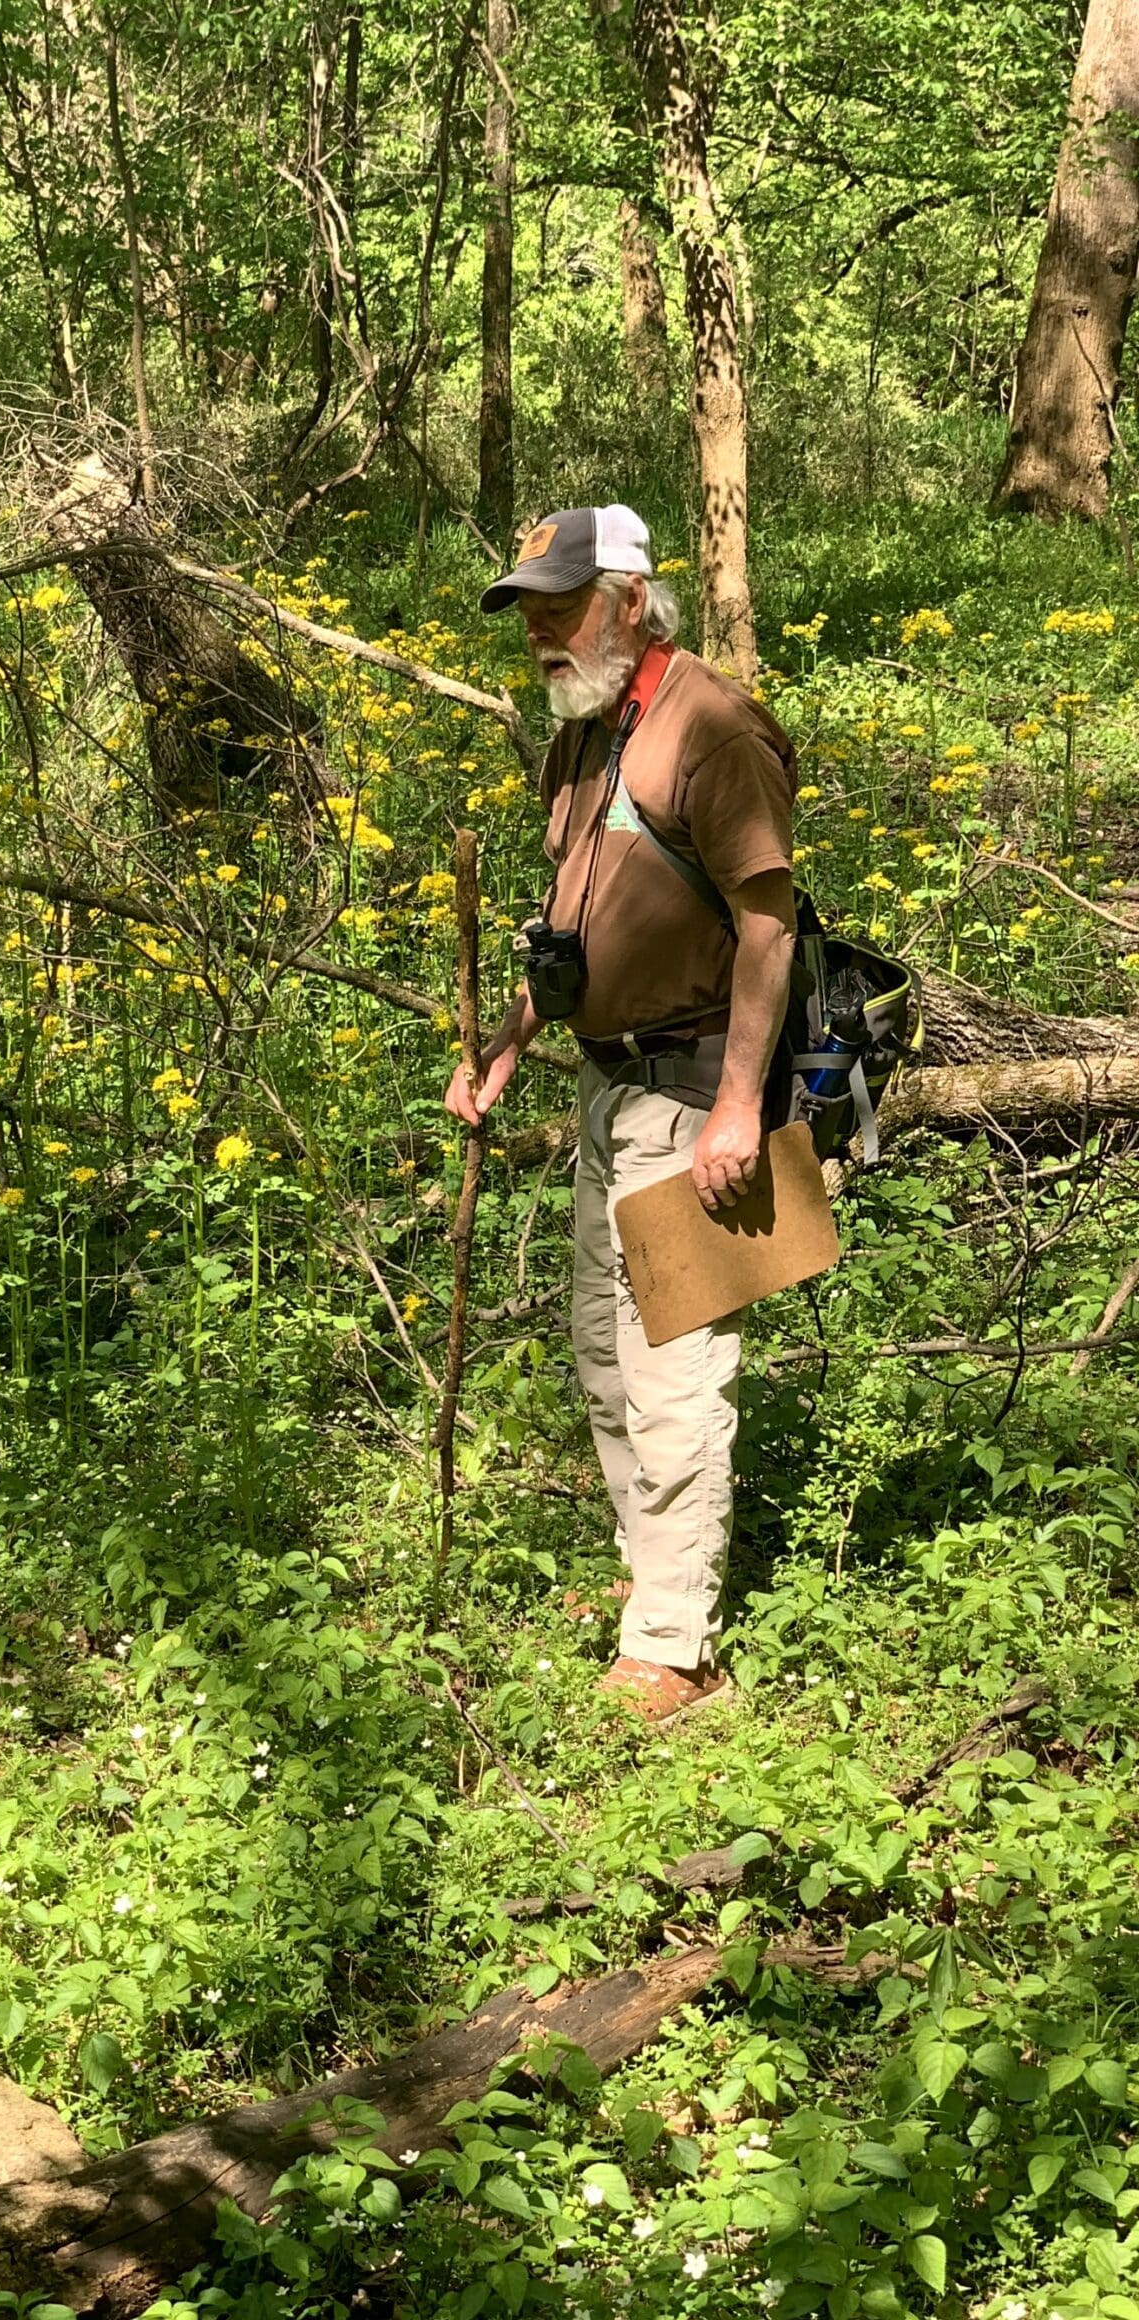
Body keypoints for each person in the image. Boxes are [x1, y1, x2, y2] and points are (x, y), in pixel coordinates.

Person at [444, 504, 797, 1721]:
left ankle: (675, 1648)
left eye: (561, 605)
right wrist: (506, 1045)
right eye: (529, 612)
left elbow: (766, 926)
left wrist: (739, 1107)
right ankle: (654, 1577)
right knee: (604, 1358)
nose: (540, 632)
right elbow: (573, 918)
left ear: (631, 600)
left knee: (673, 1369)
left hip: (694, 1091)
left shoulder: (714, 728)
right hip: (608, 1085)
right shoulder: (586, 731)